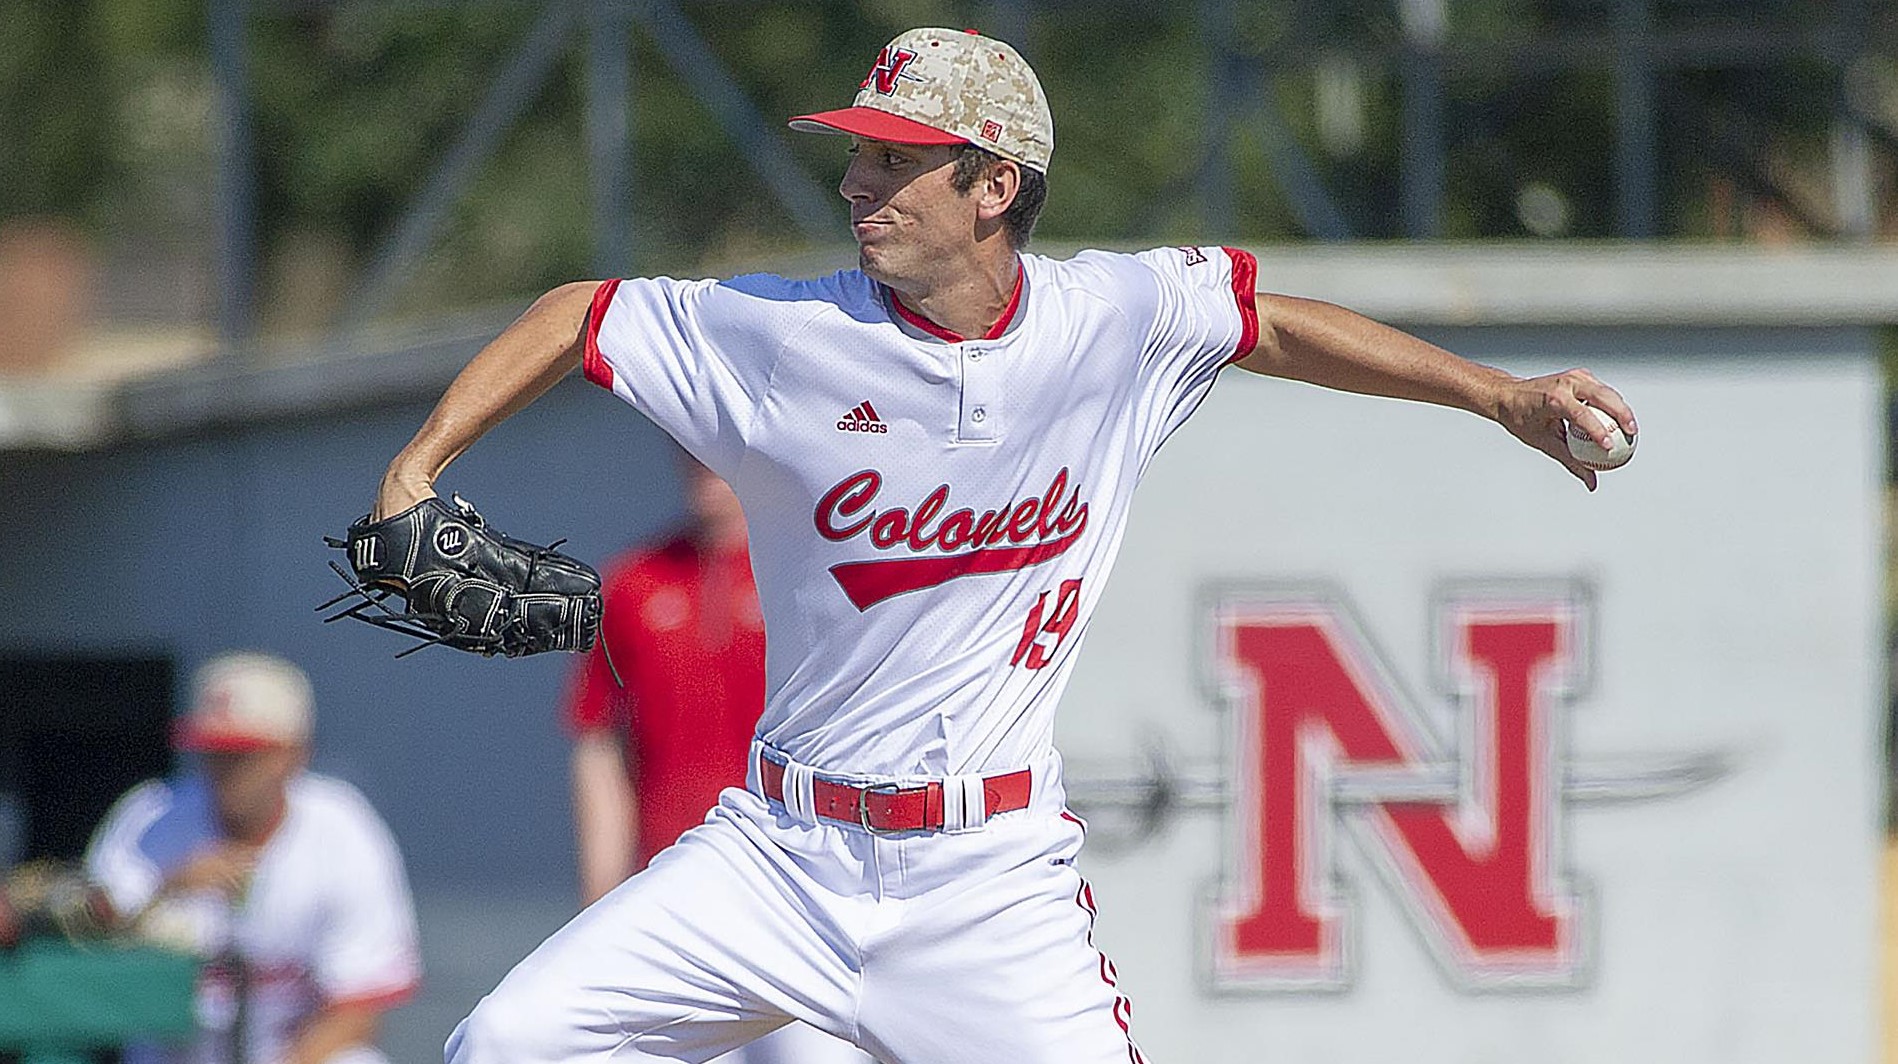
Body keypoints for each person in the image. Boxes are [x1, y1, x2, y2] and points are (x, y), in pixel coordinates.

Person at [370, 26, 1637, 1063]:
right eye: (859, 153)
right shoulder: (780, 336)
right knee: (506, 1044)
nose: (858, 181)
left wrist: (1497, 395)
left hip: (984, 876)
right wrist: (415, 469)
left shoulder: (1114, 318)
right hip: (776, 850)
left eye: (897, 159)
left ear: (994, 187)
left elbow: (1273, 322)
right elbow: (573, 315)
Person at [565, 456, 874, 1064]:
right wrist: (602, 896)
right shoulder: (633, 583)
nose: (703, 464)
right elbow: (598, 746)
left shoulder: (814, 577)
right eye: (689, 448)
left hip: (799, 900)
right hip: (675, 894)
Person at [87, 652, 422, 1064]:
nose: (225, 770)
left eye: (244, 753)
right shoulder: (151, 816)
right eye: (214, 751)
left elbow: (358, 1007)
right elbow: (83, 951)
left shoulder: (341, 828)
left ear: (294, 754)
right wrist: (167, 886)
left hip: (286, 1054)